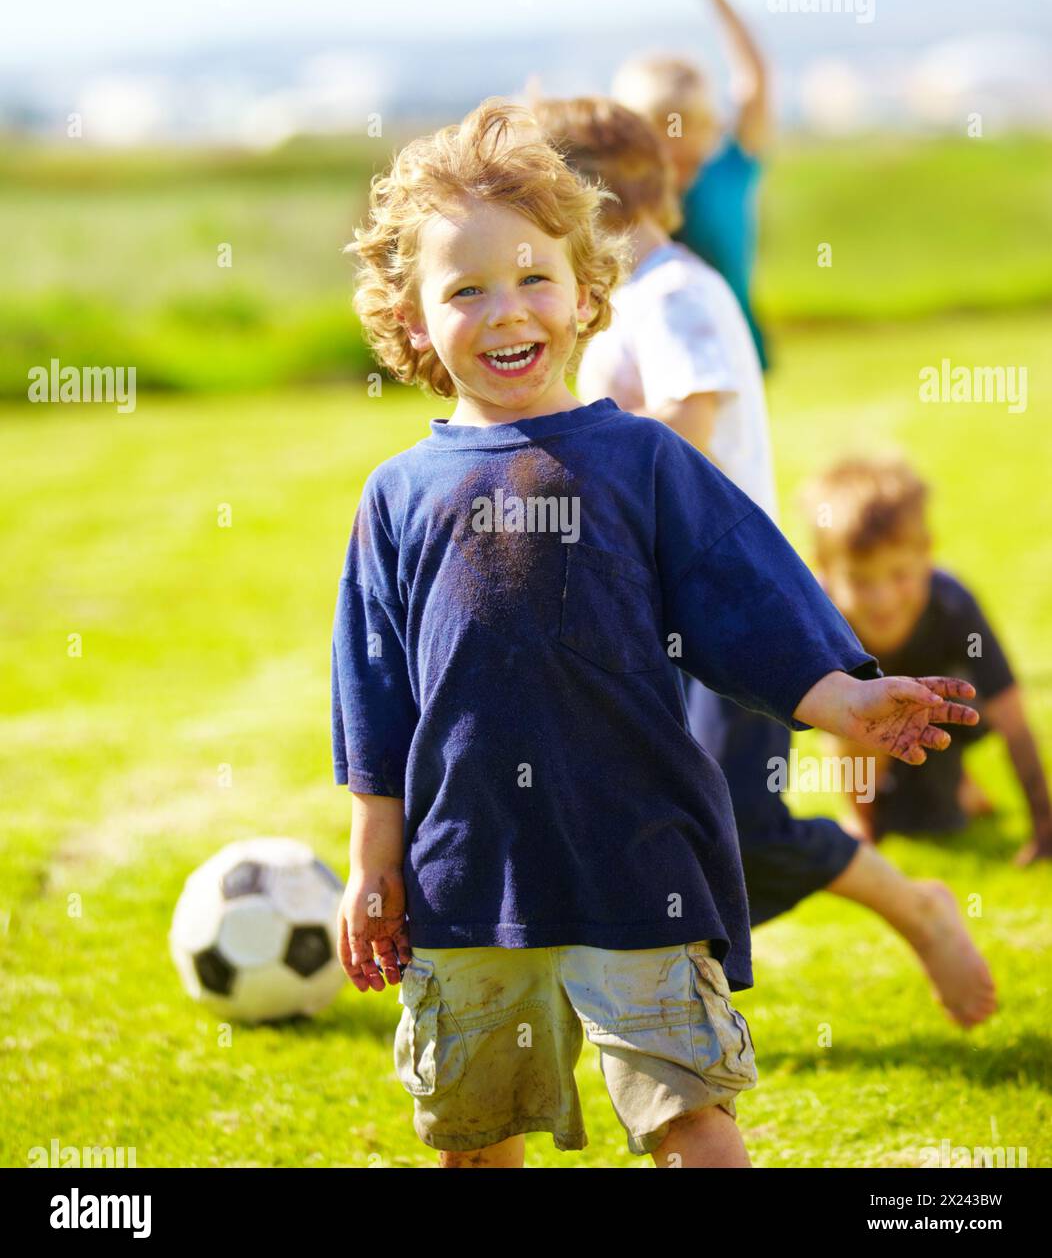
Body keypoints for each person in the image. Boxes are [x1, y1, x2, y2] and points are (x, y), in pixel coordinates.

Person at [331, 96, 983, 1170]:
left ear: (588, 292)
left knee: (688, 1116)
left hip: (638, 858)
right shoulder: (396, 496)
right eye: (465, 290)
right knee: (473, 1130)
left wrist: (841, 697)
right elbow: (372, 695)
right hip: (467, 871)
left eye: (534, 276)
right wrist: (373, 862)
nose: (507, 311)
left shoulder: (640, 460)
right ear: (410, 321)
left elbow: (744, 596)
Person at [535, 93, 997, 1034]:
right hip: (654, 617)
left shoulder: (674, 298)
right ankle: (635, 1015)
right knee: (656, 819)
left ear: (590, 213)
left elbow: (684, 440)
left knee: (742, 825)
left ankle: (918, 910)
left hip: (723, 614)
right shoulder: (633, 302)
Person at [803, 458, 1052, 862]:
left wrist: (1045, 827)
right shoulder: (818, 611)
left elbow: (1011, 717)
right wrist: (864, 825)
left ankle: (955, 781)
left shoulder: (953, 603)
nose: (883, 599)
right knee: (855, 721)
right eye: (862, 581)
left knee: (941, 820)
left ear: (926, 554)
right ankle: (864, 821)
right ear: (825, 569)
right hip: (860, 723)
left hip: (946, 711)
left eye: (899, 574)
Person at [611, 0, 773, 369]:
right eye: (660, 158)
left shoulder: (730, 169)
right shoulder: (626, 196)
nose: (674, 173)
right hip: (650, 342)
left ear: (707, 132)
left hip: (732, 336)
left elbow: (756, 80)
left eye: (685, 158)